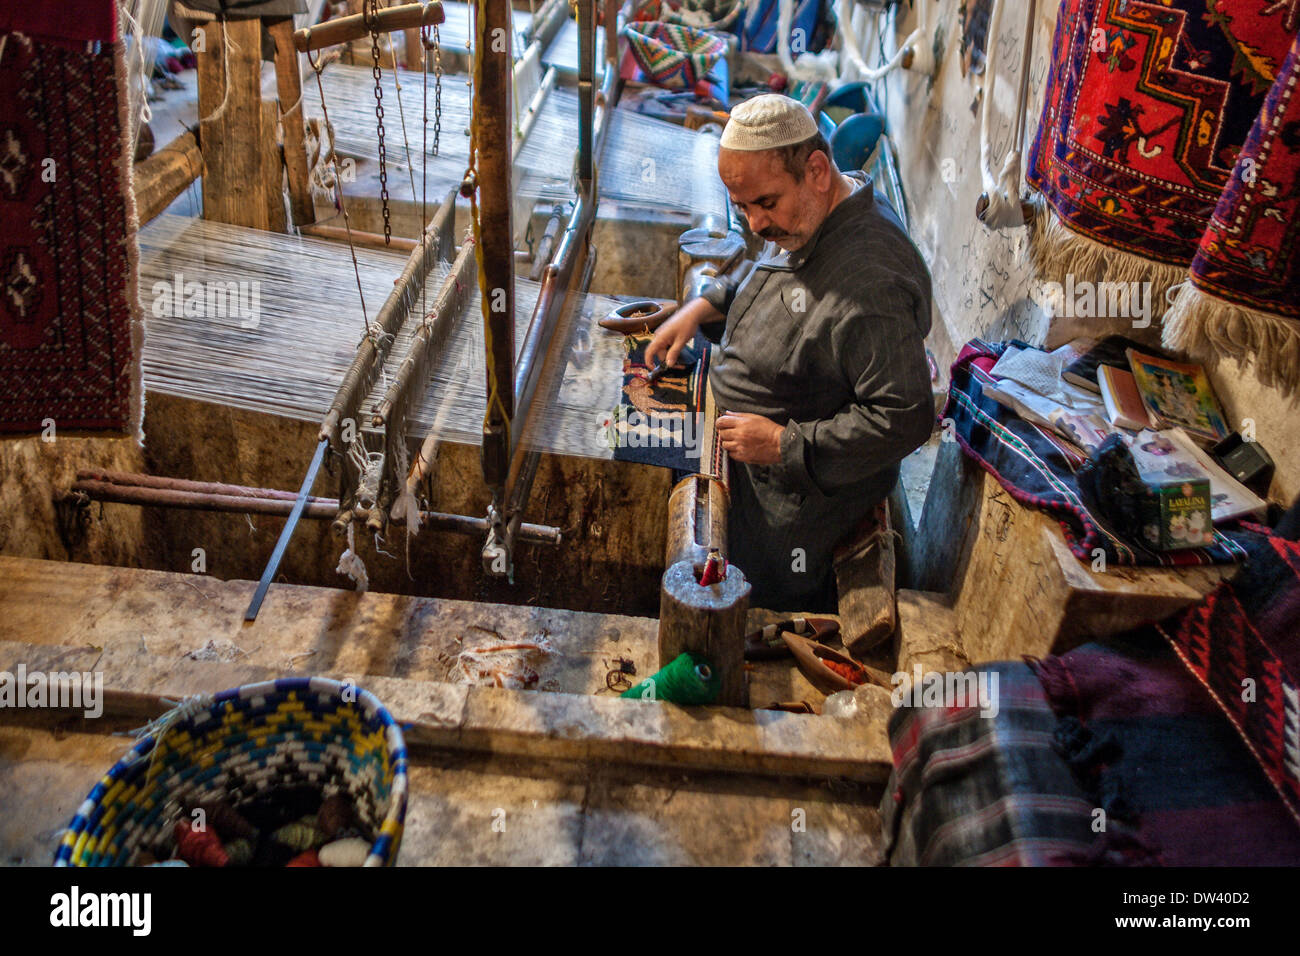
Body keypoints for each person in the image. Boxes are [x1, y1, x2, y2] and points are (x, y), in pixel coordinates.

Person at [647, 94, 934, 611]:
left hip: (791, 511)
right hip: (740, 456)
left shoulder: (870, 286)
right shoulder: (819, 211)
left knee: (739, 607)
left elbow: (906, 418)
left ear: (818, 171)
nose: (755, 225)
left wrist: (784, 444)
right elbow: (776, 290)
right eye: (743, 208)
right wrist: (704, 306)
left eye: (766, 203)